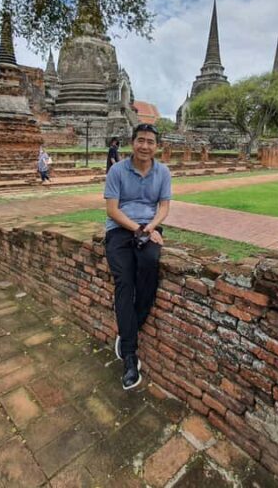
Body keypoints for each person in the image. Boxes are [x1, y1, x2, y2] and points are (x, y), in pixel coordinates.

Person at [104, 124, 171, 390]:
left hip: (150, 228)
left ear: (157, 146)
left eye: (150, 142)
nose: (145, 146)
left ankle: (127, 327)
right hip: (121, 229)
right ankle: (130, 356)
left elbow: (164, 206)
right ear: (132, 143)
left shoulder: (162, 172)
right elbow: (112, 209)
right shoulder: (117, 170)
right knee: (124, 281)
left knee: (149, 267)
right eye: (141, 140)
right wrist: (139, 229)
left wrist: (151, 228)